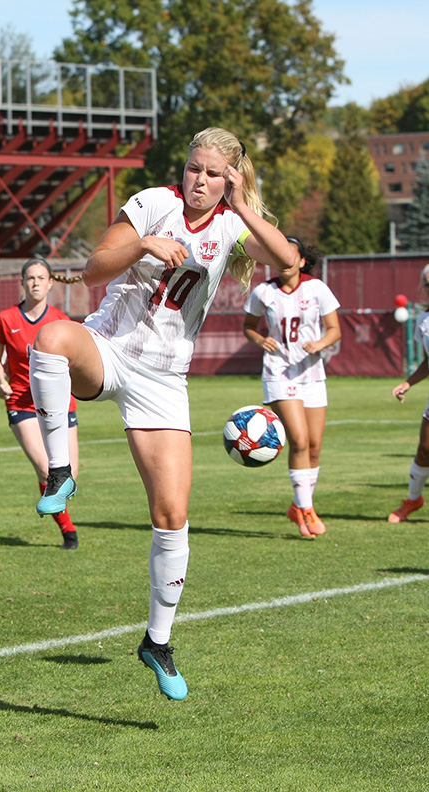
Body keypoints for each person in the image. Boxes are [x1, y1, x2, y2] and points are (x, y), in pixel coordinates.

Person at [28, 127, 298, 701]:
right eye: (193, 168)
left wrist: (244, 203)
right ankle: (59, 470)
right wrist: (143, 246)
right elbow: (97, 268)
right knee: (51, 337)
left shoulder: (231, 222)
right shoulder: (154, 203)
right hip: (109, 348)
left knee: (172, 515)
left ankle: (158, 640)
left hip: (164, 378)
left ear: (229, 180)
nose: (197, 181)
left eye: (211, 173)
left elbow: (289, 258)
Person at [243, 237, 341, 538]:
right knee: (298, 440)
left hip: (312, 373)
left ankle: (298, 506)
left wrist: (320, 344)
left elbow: (335, 329)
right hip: (279, 373)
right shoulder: (264, 292)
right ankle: (306, 509)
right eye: (278, 256)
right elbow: (249, 326)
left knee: (314, 446)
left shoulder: (316, 288)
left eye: (291, 256)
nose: (284, 261)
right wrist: (260, 340)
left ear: (301, 262)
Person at [0, 258, 82, 549]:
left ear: (51, 283)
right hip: (22, 402)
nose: (36, 283)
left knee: (71, 475)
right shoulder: (6, 318)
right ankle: (69, 531)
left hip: (59, 402)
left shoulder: (60, 318)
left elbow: (74, 358)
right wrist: (2, 382)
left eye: (41, 278)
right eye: (30, 278)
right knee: (47, 469)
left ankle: (57, 507)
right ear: (22, 282)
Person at [388, 263, 429, 523]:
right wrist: (408, 383)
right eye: (428, 284)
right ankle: (414, 500)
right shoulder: (424, 322)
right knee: (425, 449)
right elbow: (427, 362)